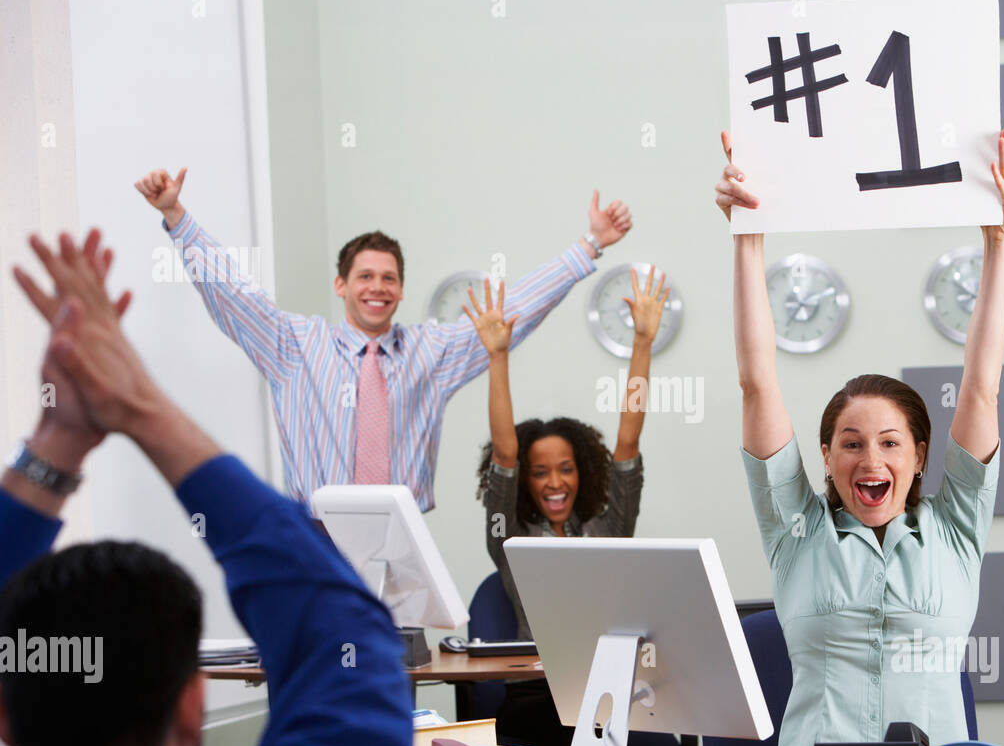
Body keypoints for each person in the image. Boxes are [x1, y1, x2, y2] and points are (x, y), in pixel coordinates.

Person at [1, 230, 425, 746]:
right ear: (191, 708)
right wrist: (142, 407)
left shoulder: (425, 352)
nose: (377, 288)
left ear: (6, 716)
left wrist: (58, 439)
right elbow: (345, 636)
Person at [716, 127, 1004, 746]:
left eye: (889, 443)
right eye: (851, 443)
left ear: (919, 458)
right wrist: (747, 239)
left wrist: (997, 241)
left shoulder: (957, 528)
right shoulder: (795, 529)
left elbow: (981, 390)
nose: (871, 459)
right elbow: (756, 382)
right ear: (825, 456)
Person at [134, 167, 633, 510]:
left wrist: (587, 246)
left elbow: (511, 314)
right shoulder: (295, 346)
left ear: (400, 290)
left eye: (389, 278)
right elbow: (234, 294)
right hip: (316, 536)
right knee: (322, 660)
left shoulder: (430, 353)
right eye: (365, 277)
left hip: (402, 542)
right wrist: (179, 220)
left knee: (398, 664)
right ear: (341, 285)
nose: (377, 288)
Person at [463, 269, 670, 746]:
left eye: (565, 469)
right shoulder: (511, 541)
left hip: (611, 694)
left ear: (583, 473)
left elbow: (627, 440)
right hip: (536, 698)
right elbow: (504, 453)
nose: (554, 482)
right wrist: (497, 357)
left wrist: (642, 343)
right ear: (525, 484)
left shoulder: (608, 528)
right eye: (539, 473)